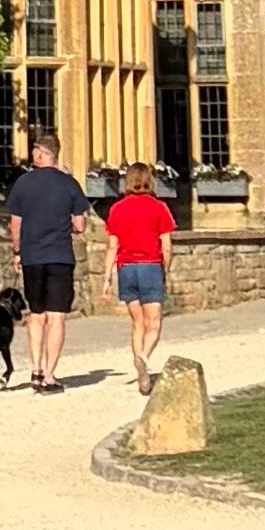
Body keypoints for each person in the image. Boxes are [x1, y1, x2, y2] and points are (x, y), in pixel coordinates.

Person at [5, 129, 87, 391]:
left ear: (41, 154)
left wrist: (17, 252)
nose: (33, 156)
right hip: (60, 256)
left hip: (32, 256)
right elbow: (81, 224)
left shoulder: (23, 184)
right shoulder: (69, 184)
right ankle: (50, 374)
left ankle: (36, 369)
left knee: (36, 314)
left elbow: (15, 225)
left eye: (34, 152)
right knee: (57, 316)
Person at [105, 161, 175, 387]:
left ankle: (140, 365)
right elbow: (166, 245)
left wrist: (106, 278)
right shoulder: (158, 208)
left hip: (126, 268)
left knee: (137, 323)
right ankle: (144, 358)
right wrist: (167, 269)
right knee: (154, 322)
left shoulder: (117, 209)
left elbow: (112, 247)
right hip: (150, 266)